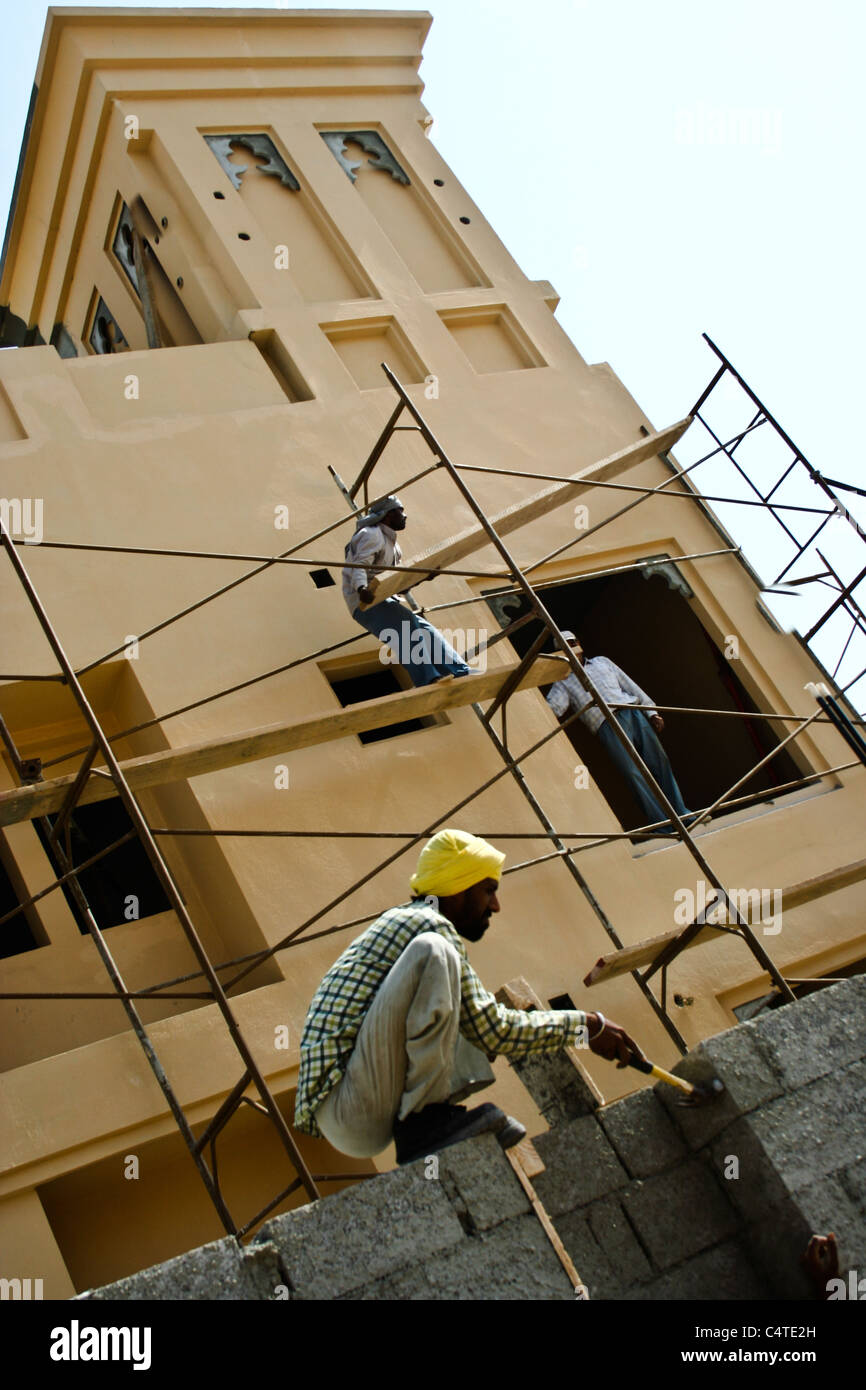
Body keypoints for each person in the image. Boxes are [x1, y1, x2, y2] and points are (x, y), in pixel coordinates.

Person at [294, 828, 640, 1165]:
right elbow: (497, 1030)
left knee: (466, 1005)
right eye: (489, 890)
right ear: (458, 888)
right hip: (349, 1105)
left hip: (360, 1112)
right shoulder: (427, 925)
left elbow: (487, 1027)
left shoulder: (414, 922)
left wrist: (585, 1030)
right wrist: (588, 1026)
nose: (496, 905)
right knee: (435, 953)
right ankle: (426, 1124)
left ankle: (430, 1121)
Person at [546, 632, 693, 830]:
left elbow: (630, 685)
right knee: (633, 774)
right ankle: (663, 825)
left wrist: (651, 712)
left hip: (632, 712)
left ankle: (682, 813)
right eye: (564, 646)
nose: (570, 648)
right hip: (606, 724)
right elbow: (554, 708)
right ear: (559, 652)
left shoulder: (602, 662)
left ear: (579, 643)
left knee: (659, 761)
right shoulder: (563, 681)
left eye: (572, 642)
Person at [342, 495, 472, 686]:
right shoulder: (371, 534)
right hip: (364, 601)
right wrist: (361, 588)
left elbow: (398, 584)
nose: (405, 516)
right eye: (400, 511)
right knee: (406, 624)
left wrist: (422, 578)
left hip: (384, 597)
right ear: (387, 515)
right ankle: (428, 679)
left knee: (426, 630)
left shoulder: (394, 546)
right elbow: (358, 565)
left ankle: (458, 672)